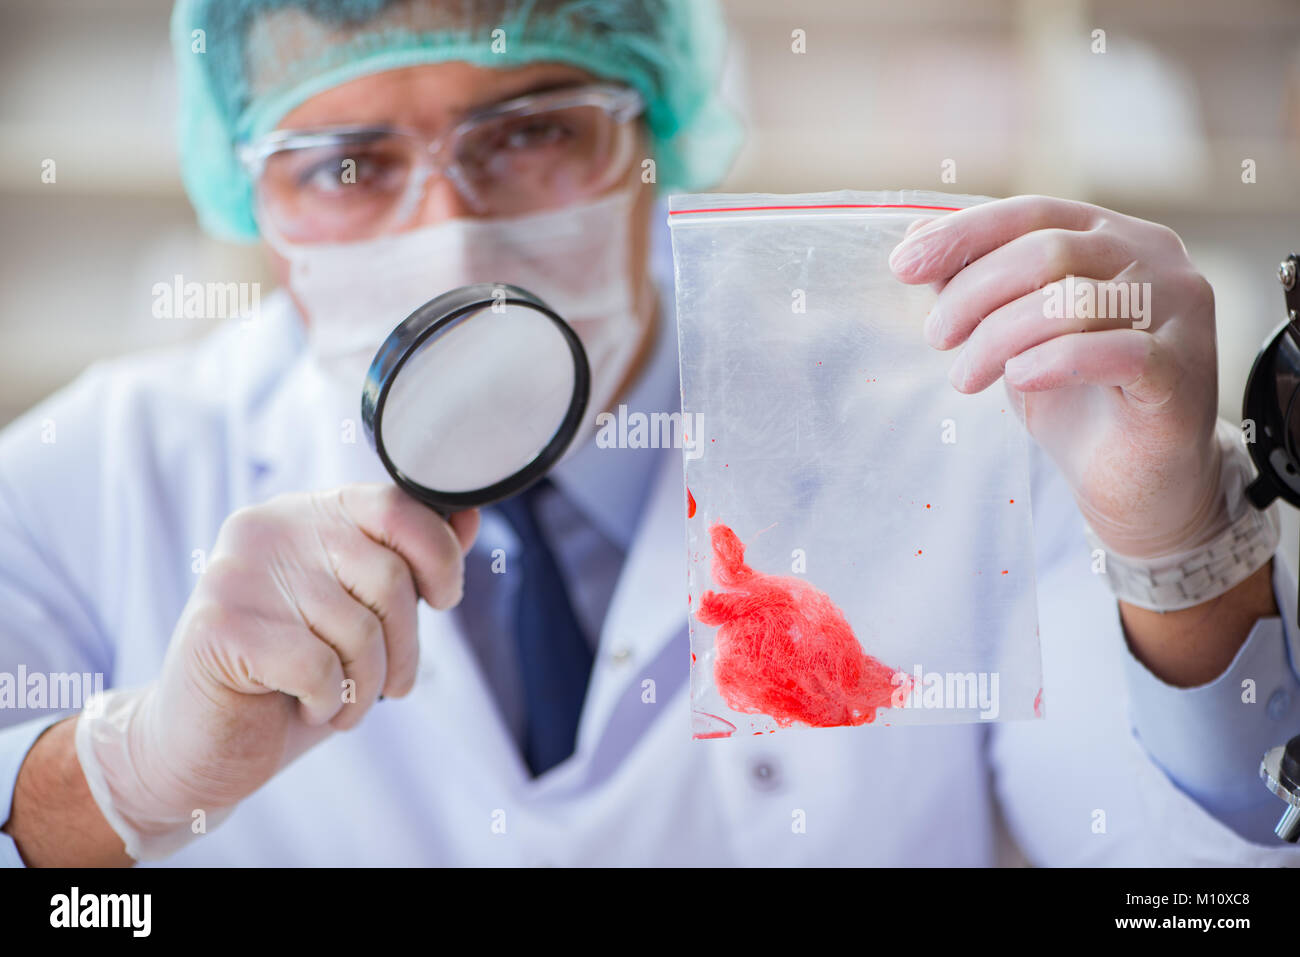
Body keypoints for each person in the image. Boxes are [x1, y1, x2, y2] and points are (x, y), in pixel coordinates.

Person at [0, 0, 1297, 867]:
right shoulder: (96, 472)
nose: (452, 229)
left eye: (536, 132)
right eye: (346, 163)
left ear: (656, 134)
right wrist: (127, 774)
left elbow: (1193, 884)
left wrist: (1178, 537)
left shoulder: (956, 411)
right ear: (249, 193)